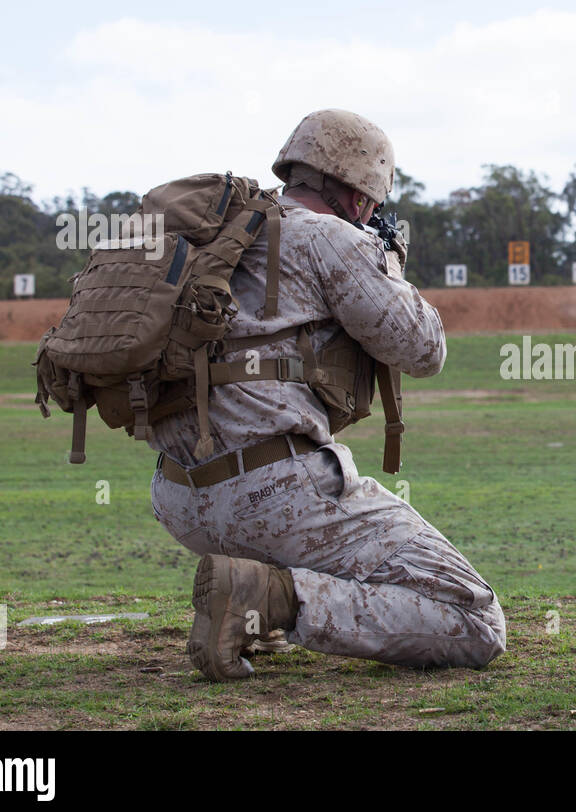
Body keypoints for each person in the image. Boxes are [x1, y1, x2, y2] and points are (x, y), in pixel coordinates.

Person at [149, 109, 506, 681]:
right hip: (271, 492)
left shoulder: (218, 235)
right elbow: (423, 350)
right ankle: (268, 597)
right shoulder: (328, 237)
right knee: (475, 618)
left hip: (179, 496)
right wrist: (388, 266)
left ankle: (251, 609)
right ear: (360, 193)